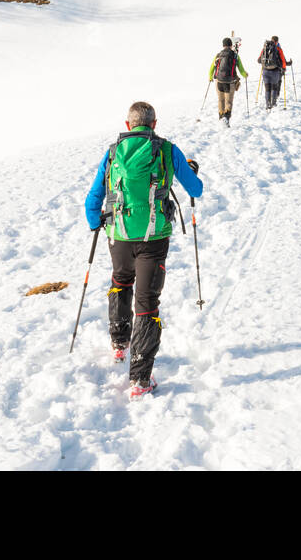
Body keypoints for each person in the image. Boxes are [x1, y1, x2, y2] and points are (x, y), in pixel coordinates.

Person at [83, 100, 203, 398]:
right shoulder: (166, 149)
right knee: (147, 301)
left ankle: (119, 343)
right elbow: (196, 189)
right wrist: (188, 170)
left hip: (118, 234)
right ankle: (140, 379)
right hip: (154, 237)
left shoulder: (112, 152)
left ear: (128, 125)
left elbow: (94, 196)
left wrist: (94, 220)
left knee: (120, 280)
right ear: (154, 124)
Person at [208, 37, 248, 126]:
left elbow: (212, 67)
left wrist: (210, 77)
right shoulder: (235, 55)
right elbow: (241, 69)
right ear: (231, 45)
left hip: (219, 82)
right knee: (228, 102)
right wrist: (245, 75)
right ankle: (226, 118)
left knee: (220, 100)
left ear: (223, 45)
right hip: (230, 83)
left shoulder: (218, 55)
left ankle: (221, 117)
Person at [257, 35, 293, 109]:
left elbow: (259, 60)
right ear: (277, 42)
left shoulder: (265, 47)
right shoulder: (278, 49)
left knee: (267, 88)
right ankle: (273, 104)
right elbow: (283, 61)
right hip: (275, 71)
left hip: (265, 71)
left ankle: (268, 104)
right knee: (274, 87)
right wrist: (284, 68)